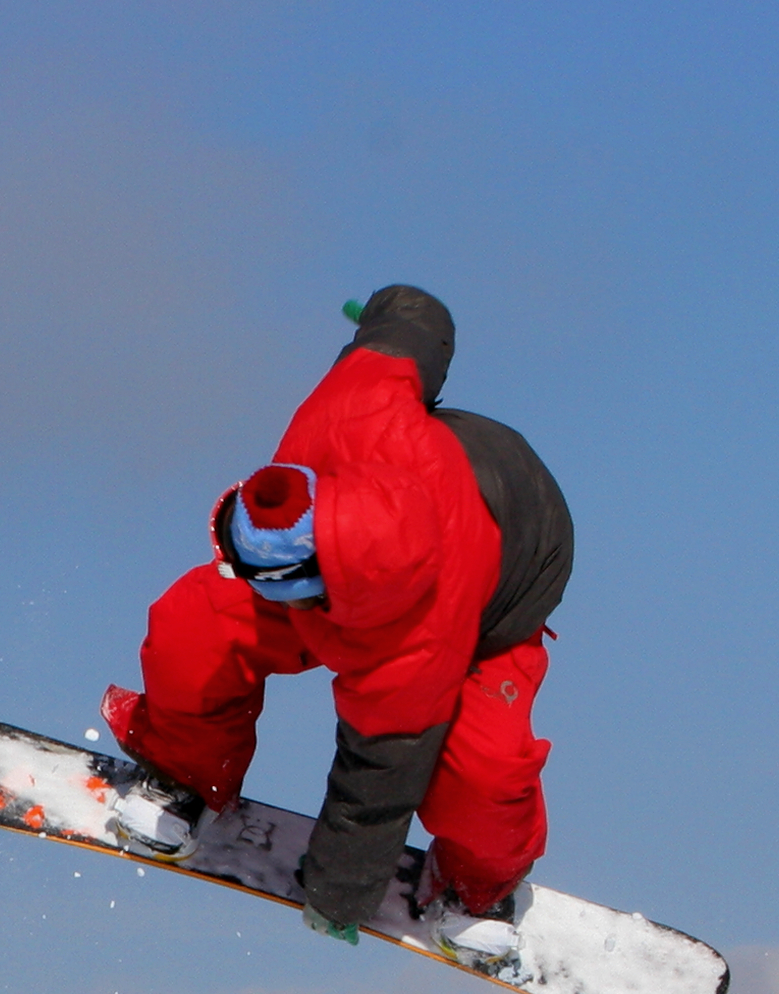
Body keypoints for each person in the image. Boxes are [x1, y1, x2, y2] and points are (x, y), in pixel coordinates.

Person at [100, 284, 572, 936]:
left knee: (484, 774)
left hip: (496, 595)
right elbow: (401, 339)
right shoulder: (343, 414)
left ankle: (474, 887)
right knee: (196, 622)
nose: (238, 574)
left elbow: (377, 781)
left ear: (305, 583)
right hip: (391, 529)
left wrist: (338, 896)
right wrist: (394, 305)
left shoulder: (416, 644)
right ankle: (187, 777)